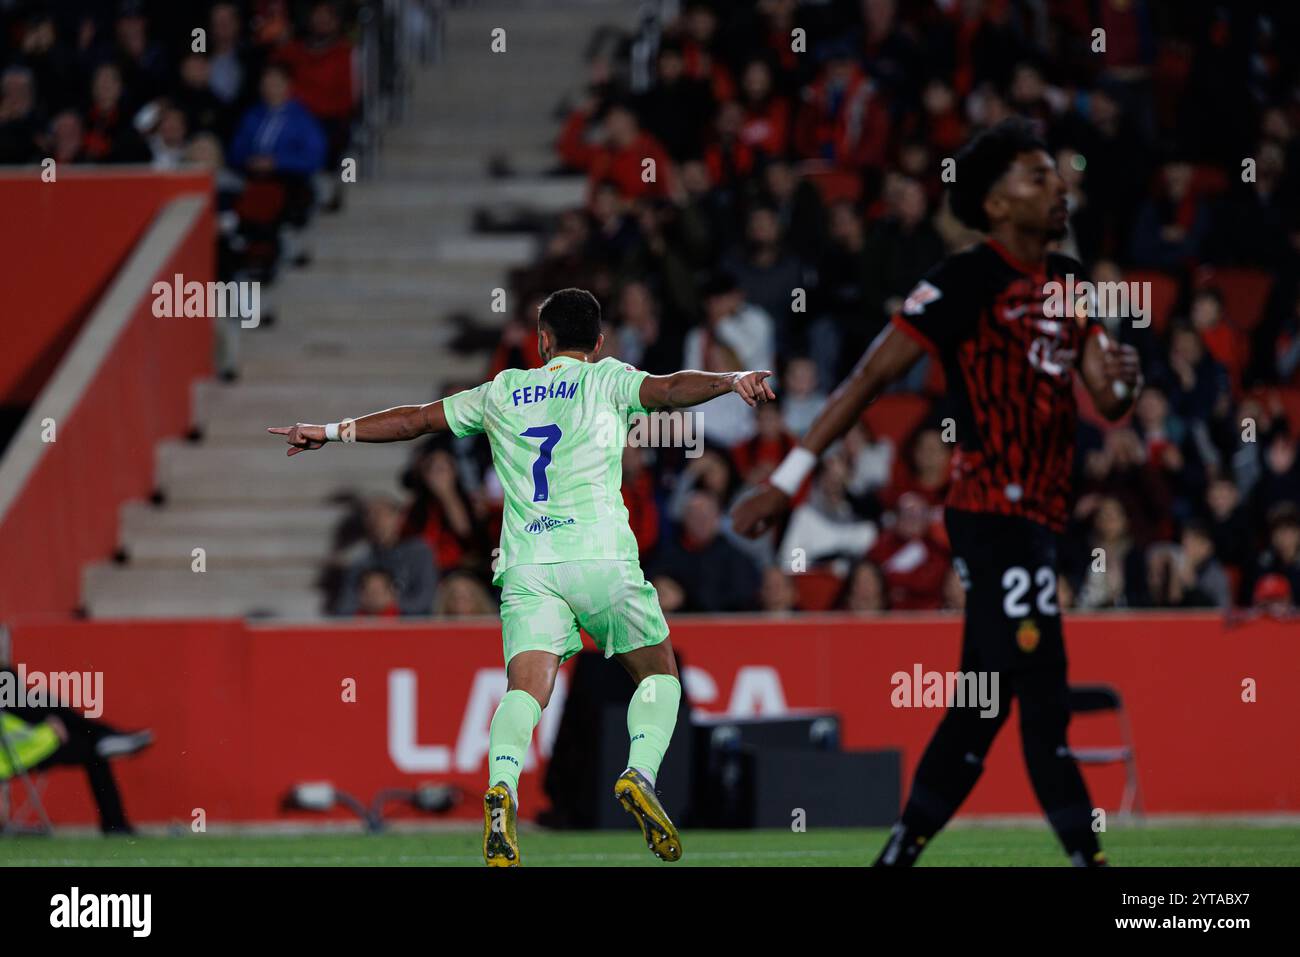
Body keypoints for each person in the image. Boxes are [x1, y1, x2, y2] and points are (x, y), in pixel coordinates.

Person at [731, 119, 1142, 867]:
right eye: (1034, 175)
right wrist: (784, 481)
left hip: (1042, 519)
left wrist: (1120, 388)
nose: (1056, 186)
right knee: (1043, 689)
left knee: (979, 707)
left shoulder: (1075, 283)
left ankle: (896, 856)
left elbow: (1103, 391)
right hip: (992, 515)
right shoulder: (962, 281)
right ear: (992, 205)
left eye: (1055, 174)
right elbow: (869, 378)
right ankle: (1093, 861)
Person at [268, 287, 775, 866]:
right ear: (600, 343)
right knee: (660, 675)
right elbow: (668, 389)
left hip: (529, 566)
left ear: (542, 341)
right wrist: (731, 379)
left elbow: (414, 420)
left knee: (526, 692)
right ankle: (639, 772)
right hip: (600, 556)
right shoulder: (607, 378)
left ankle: (503, 784)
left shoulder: (504, 389)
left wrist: (331, 431)